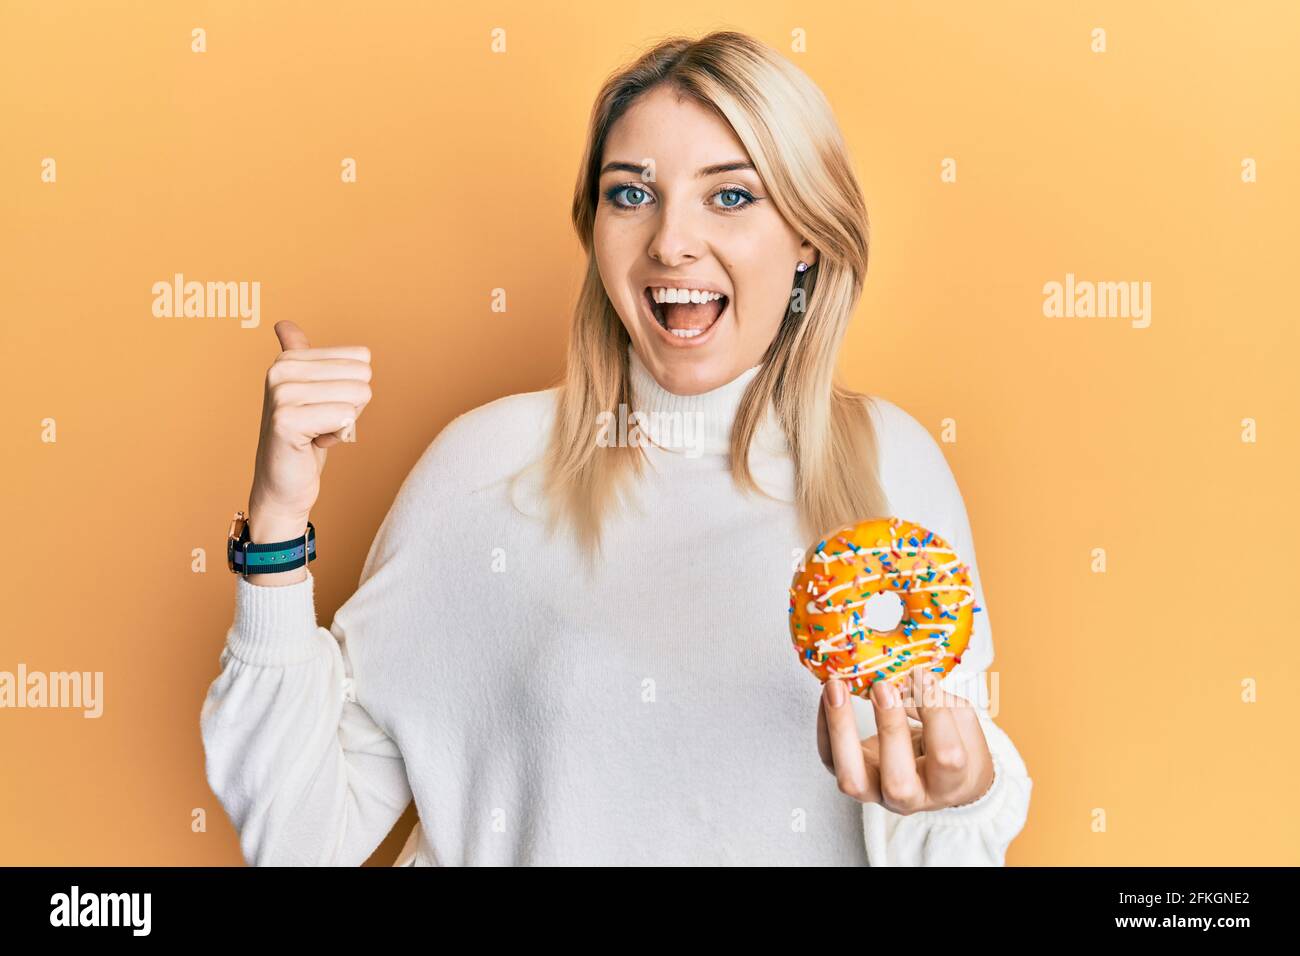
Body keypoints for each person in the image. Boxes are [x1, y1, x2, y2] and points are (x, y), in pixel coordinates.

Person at [200, 30, 1032, 866]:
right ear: (594, 229)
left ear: (809, 234)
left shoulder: (893, 469)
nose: (670, 242)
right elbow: (300, 841)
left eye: (731, 197)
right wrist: (277, 524)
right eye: (631, 195)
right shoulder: (485, 468)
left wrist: (966, 794)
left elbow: (947, 832)